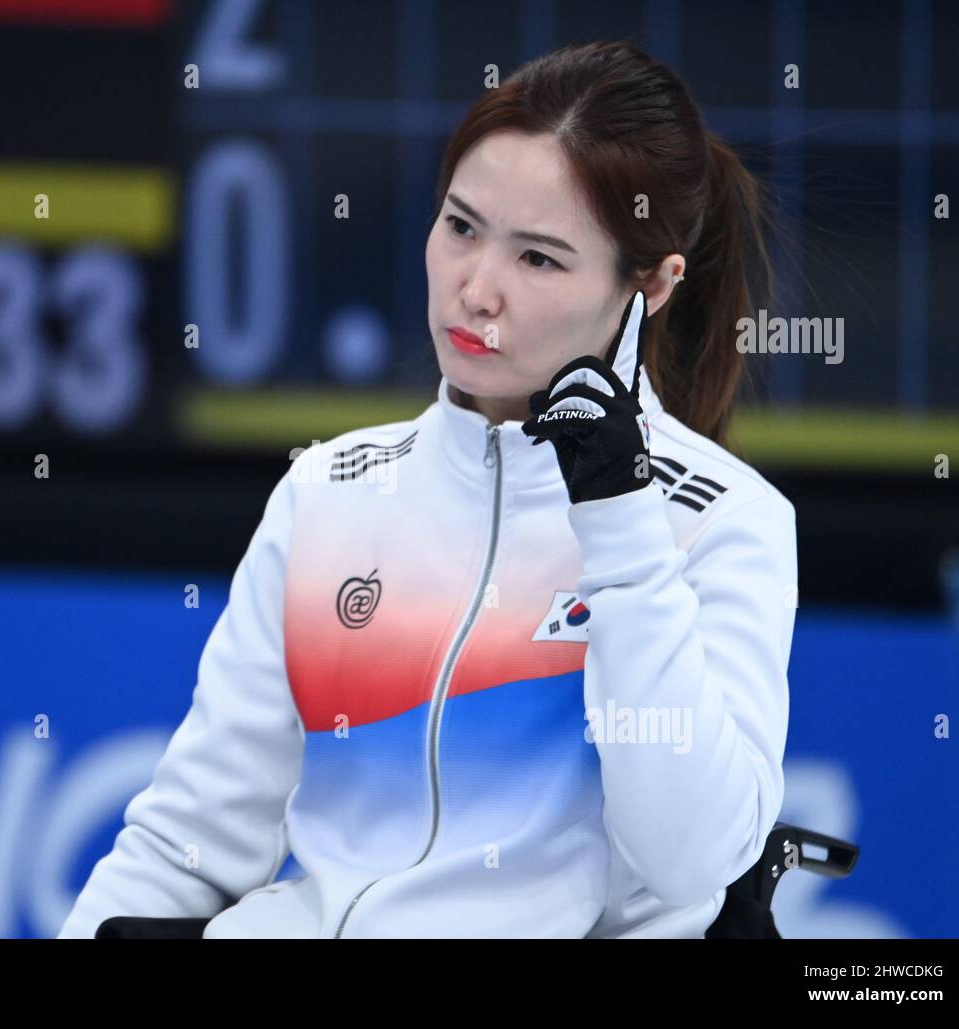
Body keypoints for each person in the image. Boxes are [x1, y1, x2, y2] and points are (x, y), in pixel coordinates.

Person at [58, 40, 795, 939]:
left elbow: (689, 860)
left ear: (650, 287)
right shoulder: (326, 489)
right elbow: (188, 840)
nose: (476, 289)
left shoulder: (722, 519)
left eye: (540, 259)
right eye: (461, 225)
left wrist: (622, 528)